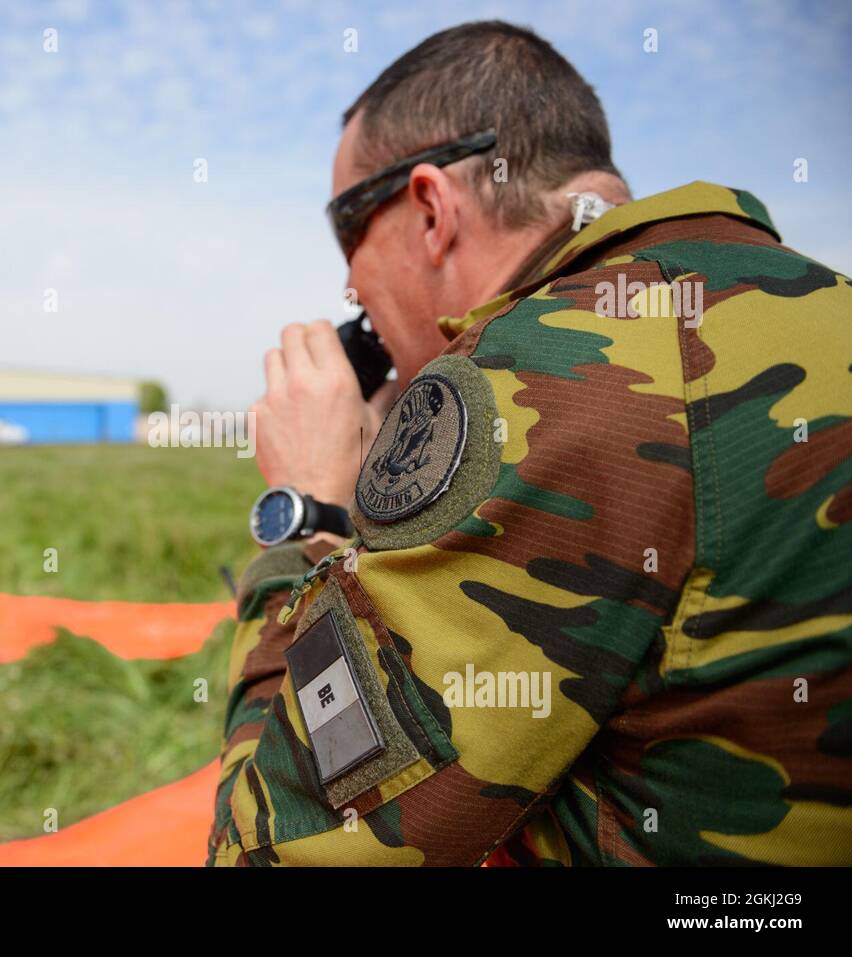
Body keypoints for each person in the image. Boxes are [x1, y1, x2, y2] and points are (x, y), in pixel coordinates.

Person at [208, 20, 852, 866]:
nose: (351, 289)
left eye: (349, 239)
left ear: (432, 208)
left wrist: (303, 521)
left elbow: (271, 850)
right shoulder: (816, 301)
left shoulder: (537, 374)